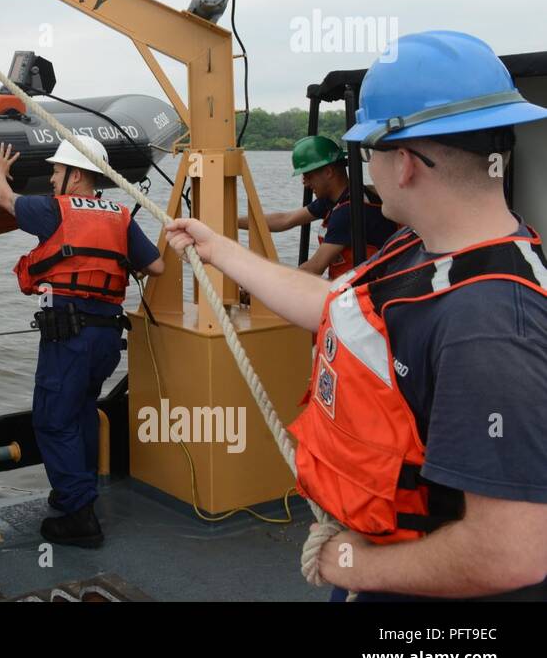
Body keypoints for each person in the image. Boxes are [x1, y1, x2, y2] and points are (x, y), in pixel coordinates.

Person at [166, 31, 547, 599]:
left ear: (406, 162)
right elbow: (334, 306)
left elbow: (510, 552)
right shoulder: (424, 247)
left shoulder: (488, 327)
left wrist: (350, 567)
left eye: (369, 150)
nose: (365, 166)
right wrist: (218, 249)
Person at [0, 134, 164, 547]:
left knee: (53, 419)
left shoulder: (54, 211)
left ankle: (78, 515)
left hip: (68, 339)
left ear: (75, 175)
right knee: (83, 410)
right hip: (106, 339)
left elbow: (7, 201)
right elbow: (155, 265)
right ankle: (78, 490)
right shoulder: (120, 216)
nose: (52, 179)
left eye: (56, 171)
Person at [239, 134, 397, 278]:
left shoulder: (348, 211)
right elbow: (285, 219)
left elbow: (313, 269)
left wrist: (262, 284)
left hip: (371, 294)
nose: (304, 182)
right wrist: (233, 220)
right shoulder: (339, 199)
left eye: (308, 175)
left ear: (328, 172)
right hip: (355, 287)